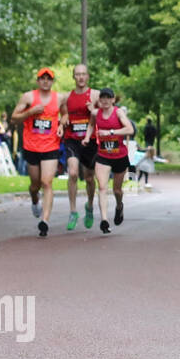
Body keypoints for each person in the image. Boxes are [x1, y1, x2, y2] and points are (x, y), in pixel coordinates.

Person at [9, 67, 65, 236]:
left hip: (51, 146)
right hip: (31, 146)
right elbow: (14, 117)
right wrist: (31, 112)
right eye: (42, 78)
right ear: (38, 81)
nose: (46, 81)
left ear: (52, 81)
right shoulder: (28, 97)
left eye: (49, 78)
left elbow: (65, 114)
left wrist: (62, 124)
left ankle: (44, 221)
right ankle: (35, 200)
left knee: (47, 182)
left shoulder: (59, 98)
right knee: (35, 185)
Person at [85, 88, 133, 233]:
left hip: (119, 156)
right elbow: (91, 124)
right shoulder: (95, 113)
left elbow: (129, 129)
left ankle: (119, 206)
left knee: (117, 190)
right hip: (103, 155)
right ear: (99, 100)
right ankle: (104, 220)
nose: (105, 100)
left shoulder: (118, 112)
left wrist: (111, 132)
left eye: (108, 98)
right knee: (102, 187)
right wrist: (87, 137)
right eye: (102, 98)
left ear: (113, 100)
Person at [58, 63, 98, 230]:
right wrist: (63, 120)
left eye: (84, 74)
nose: (81, 77)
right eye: (77, 74)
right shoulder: (67, 97)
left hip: (90, 140)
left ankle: (89, 206)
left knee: (89, 178)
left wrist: (93, 110)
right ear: (73, 77)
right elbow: (62, 113)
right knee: (73, 173)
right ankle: (73, 211)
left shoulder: (95, 94)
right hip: (72, 139)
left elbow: (106, 111)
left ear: (88, 76)